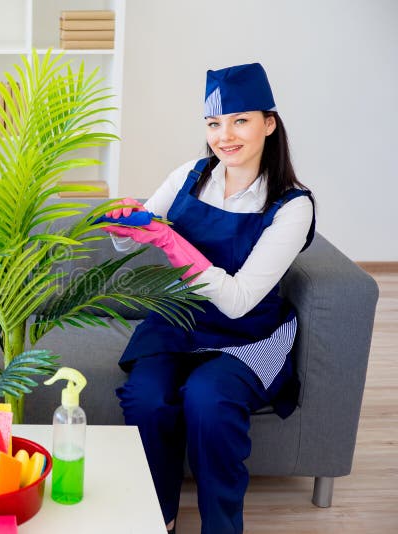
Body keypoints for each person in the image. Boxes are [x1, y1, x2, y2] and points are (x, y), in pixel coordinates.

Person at [101, 63, 315, 534]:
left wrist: (172, 244)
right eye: (214, 123)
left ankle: (221, 526)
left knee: (208, 400)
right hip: (181, 321)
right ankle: (159, 519)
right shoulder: (191, 174)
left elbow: (238, 300)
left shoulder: (291, 205)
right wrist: (123, 222)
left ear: (269, 123)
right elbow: (138, 231)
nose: (225, 136)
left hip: (247, 332)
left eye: (240, 120)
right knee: (147, 399)